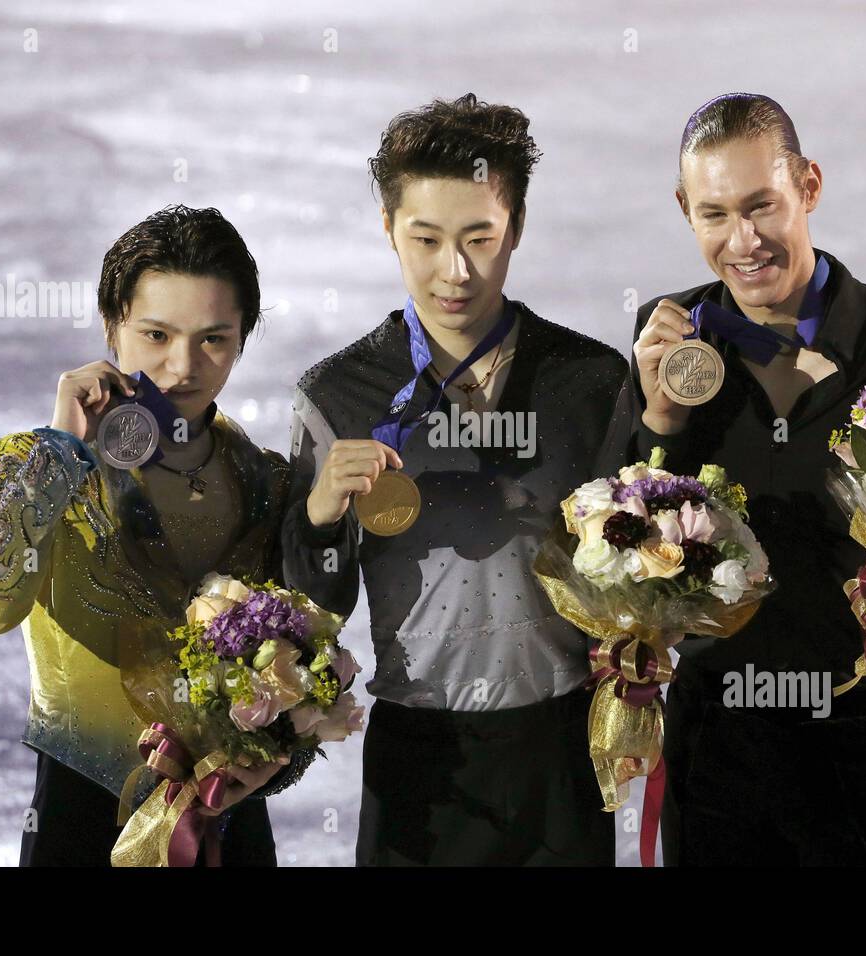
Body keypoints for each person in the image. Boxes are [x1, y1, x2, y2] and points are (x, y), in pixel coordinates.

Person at [607, 93, 866, 865]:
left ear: (809, 187)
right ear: (685, 209)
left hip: (863, 744)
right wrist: (657, 418)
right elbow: (617, 538)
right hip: (715, 745)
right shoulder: (669, 345)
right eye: (714, 214)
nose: (743, 241)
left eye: (763, 206)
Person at [281, 94, 628, 866]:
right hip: (419, 764)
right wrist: (317, 516)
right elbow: (315, 609)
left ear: (519, 229)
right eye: (426, 238)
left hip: (560, 754)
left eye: (481, 237)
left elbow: (627, 573)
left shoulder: (591, 381)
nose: (456, 271)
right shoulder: (338, 395)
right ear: (387, 229)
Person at [0, 205, 297, 866]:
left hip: (226, 826)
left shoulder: (269, 484)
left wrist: (274, 765)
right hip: (78, 825)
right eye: (156, 334)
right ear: (112, 326)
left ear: (244, 336)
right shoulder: (34, 463)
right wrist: (60, 450)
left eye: (213, 339)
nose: (181, 366)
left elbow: (298, 670)